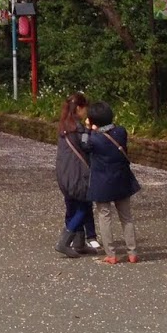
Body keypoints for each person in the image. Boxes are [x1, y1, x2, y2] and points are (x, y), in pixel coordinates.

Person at [82, 100, 142, 264]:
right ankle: (132, 252)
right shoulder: (121, 132)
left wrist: (87, 128)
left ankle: (111, 254)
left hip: (102, 183)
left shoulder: (94, 139)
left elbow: (84, 145)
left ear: (94, 121)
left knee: (105, 216)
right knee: (126, 217)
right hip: (122, 179)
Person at [54, 93, 101, 257]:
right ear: (80, 108)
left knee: (72, 206)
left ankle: (80, 243)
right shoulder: (78, 129)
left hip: (64, 174)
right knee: (84, 207)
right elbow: (87, 146)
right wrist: (90, 130)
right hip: (77, 175)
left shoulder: (64, 127)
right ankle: (64, 242)